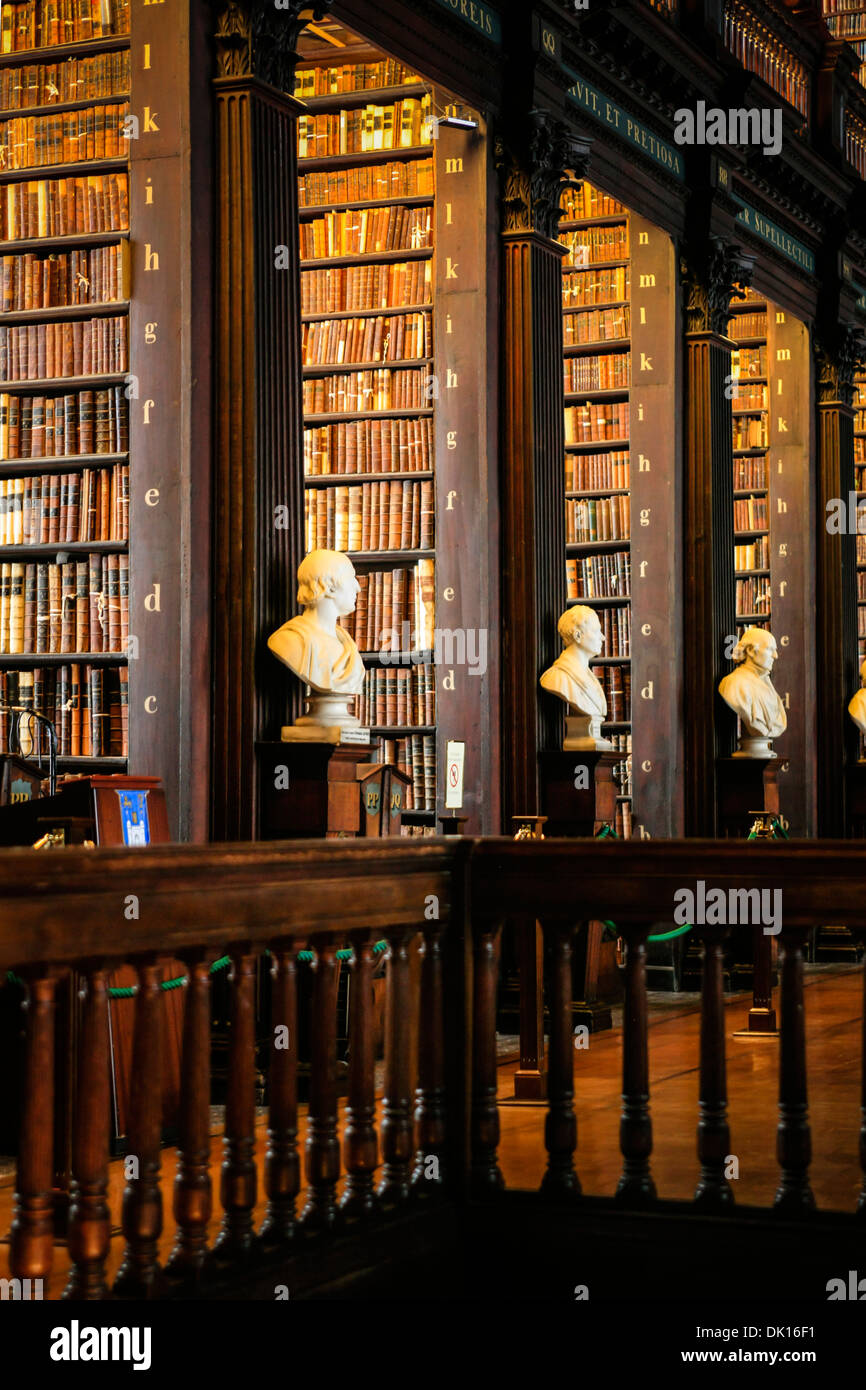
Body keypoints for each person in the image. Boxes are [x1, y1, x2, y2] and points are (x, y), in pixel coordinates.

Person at [268, 549, 365, 696]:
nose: (358, 587)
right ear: (330, 587)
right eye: (351, 578)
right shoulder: (289, 640)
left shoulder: (346, 643)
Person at [718, 626, 786, 753]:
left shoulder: (768, 685)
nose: (775, 656)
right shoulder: (734, 684)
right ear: (750, 650)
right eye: (770, 650)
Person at [540, 604, 608, 719]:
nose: (603, 637)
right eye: (597, 631)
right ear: (578, 635)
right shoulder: (556, 678)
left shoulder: (588, 675)